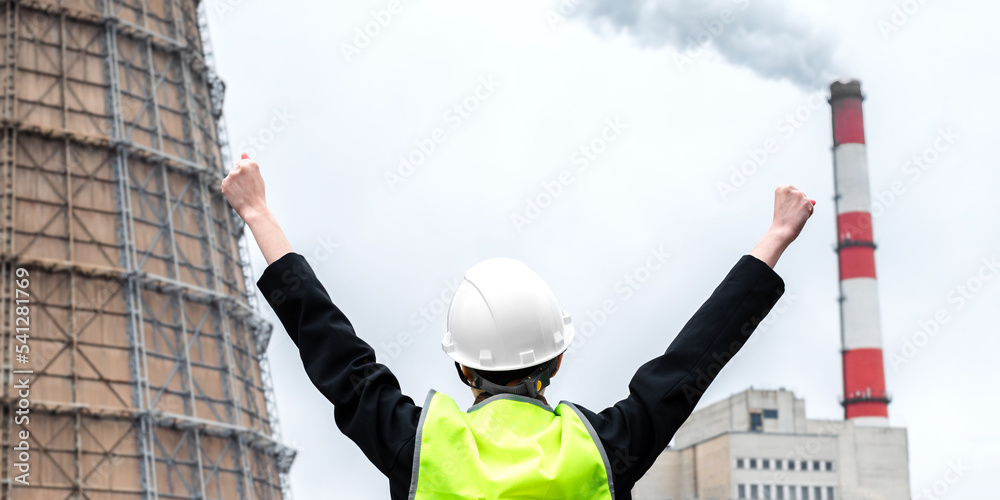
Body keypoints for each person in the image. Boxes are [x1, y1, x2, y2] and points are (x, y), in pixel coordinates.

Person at [221, 152, 815, 499]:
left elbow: (333, 350)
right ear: (557, 359)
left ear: (462, 365)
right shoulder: (601, 452)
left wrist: (258, 213)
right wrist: (776, 237)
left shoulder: (423, 448)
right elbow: (692, 361)